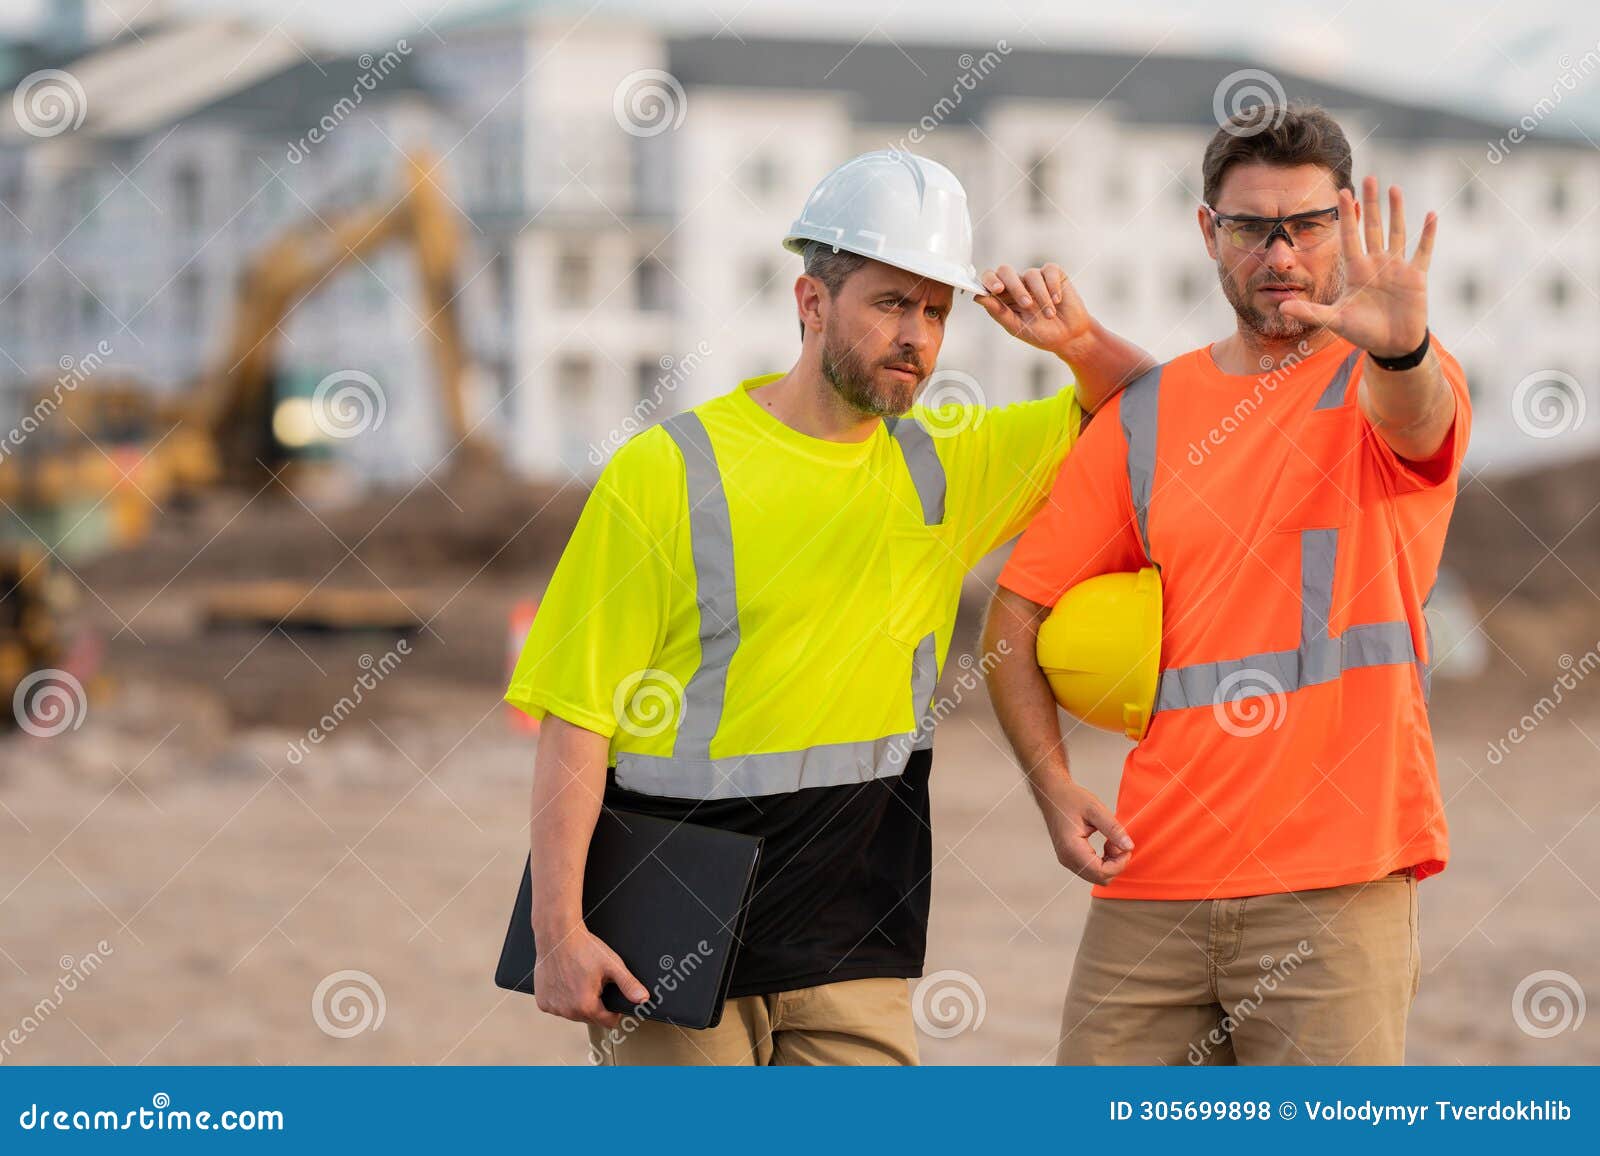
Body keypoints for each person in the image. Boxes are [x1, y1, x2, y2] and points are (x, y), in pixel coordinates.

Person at [504, 149, 1154, 1065]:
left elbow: (1150, 409)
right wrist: (558, 930)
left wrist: (1075, 340)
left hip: (856, 927)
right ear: (811, 303)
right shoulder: (669, 471)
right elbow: (575, 716)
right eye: (891, 303)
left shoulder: (944, 466)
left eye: (935, 311)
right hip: (677, 927)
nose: (918, 337)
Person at [982, 102, 1471, 1065]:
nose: (1282, 253)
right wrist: (1051, 787)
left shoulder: (1382, 379)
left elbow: (1420, 421)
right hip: (1151, 883)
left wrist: (1402, 348)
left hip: (1339, 884)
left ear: (1342, 222)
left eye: (1309, 225)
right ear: (1211, 233)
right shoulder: (1149, 415)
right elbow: (1015, 611)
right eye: (1253, 227)